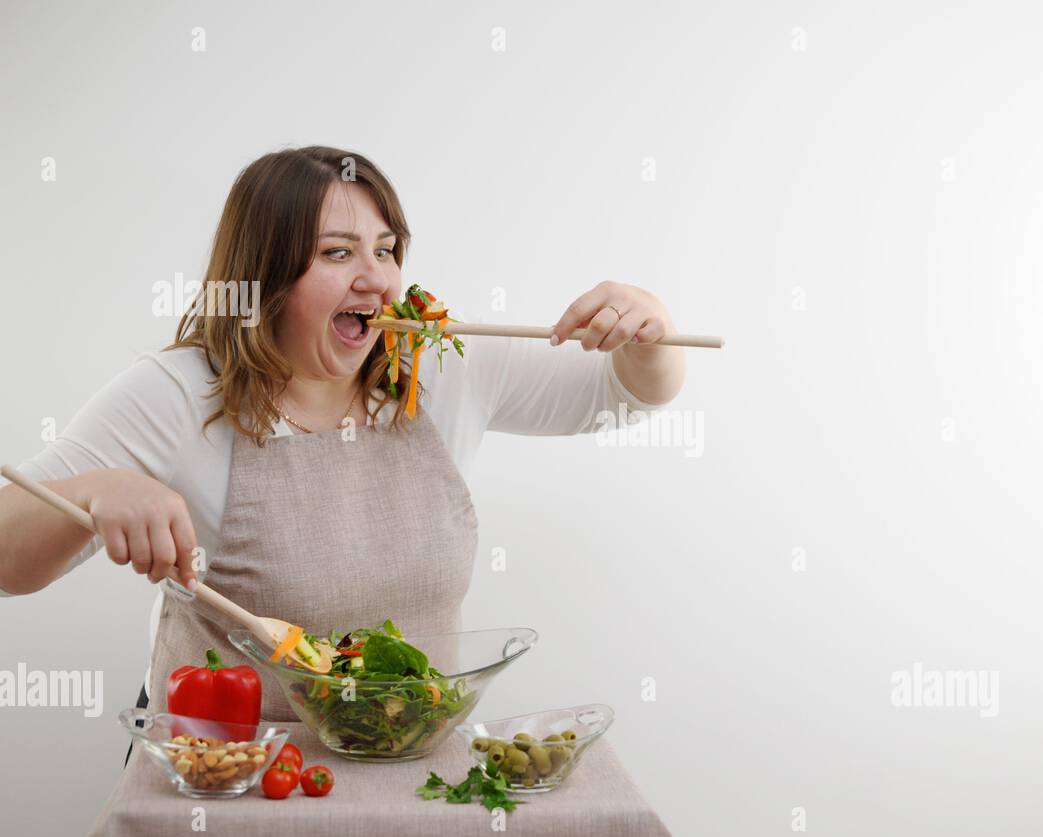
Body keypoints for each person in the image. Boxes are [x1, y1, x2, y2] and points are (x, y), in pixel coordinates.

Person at [0, 145, 684, 729]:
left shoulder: (442, 365)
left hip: (407, 761)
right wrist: (95, 491)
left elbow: (620, 397)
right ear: (262, 278)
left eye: (386, 250)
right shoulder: (179, 393)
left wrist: (648, 330)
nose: (377, 277)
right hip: (228, 775)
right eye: (337, 252)